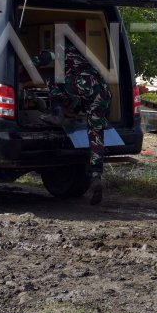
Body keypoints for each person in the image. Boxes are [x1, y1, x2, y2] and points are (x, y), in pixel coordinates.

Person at [40, 41, 112, 206]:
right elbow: (81, 99)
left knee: (52, 81)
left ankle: (56, 114)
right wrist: (74, 109)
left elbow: (45, 57)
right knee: (96, 135)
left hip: (85, 85)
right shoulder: (85, 57)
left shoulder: (64, 50)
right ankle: (95, 175)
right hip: (103, 91)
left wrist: (25, 64)